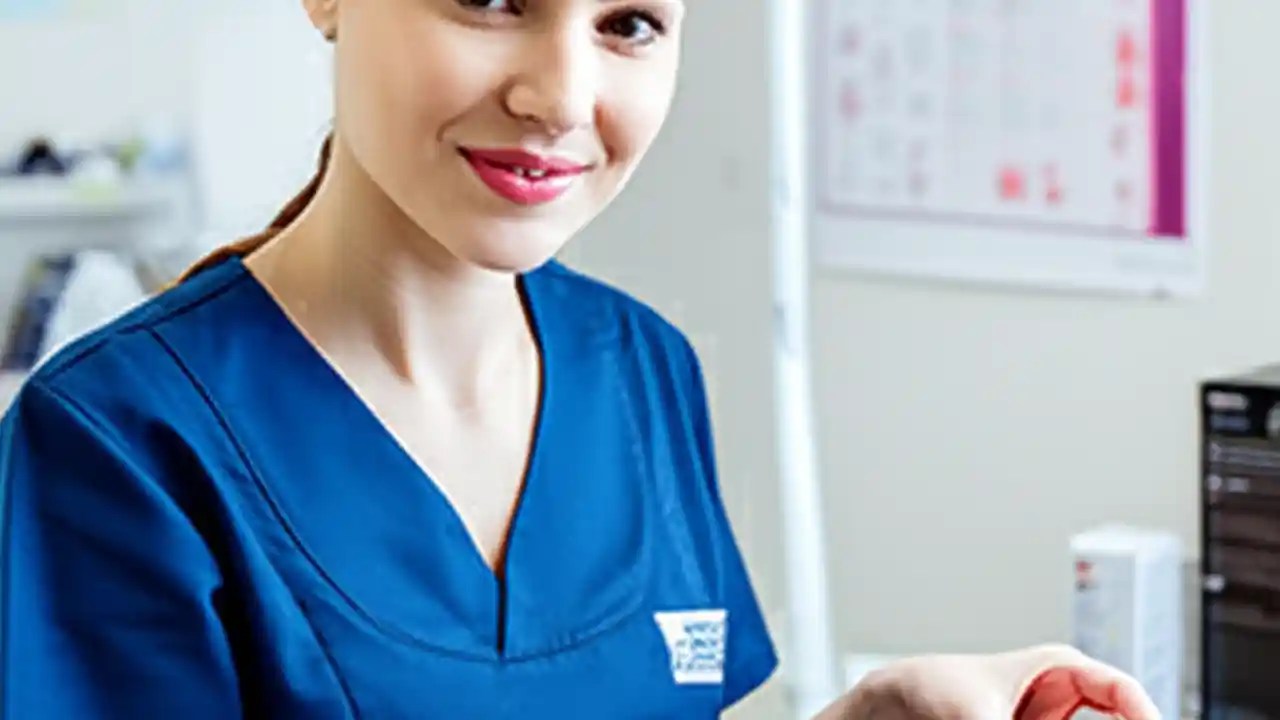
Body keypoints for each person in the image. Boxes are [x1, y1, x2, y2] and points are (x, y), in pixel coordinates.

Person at [0, 0, 1161, 718]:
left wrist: (870, 718)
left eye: (629, 25)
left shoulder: (640, 371)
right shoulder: (118, 446)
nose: (559, 95)